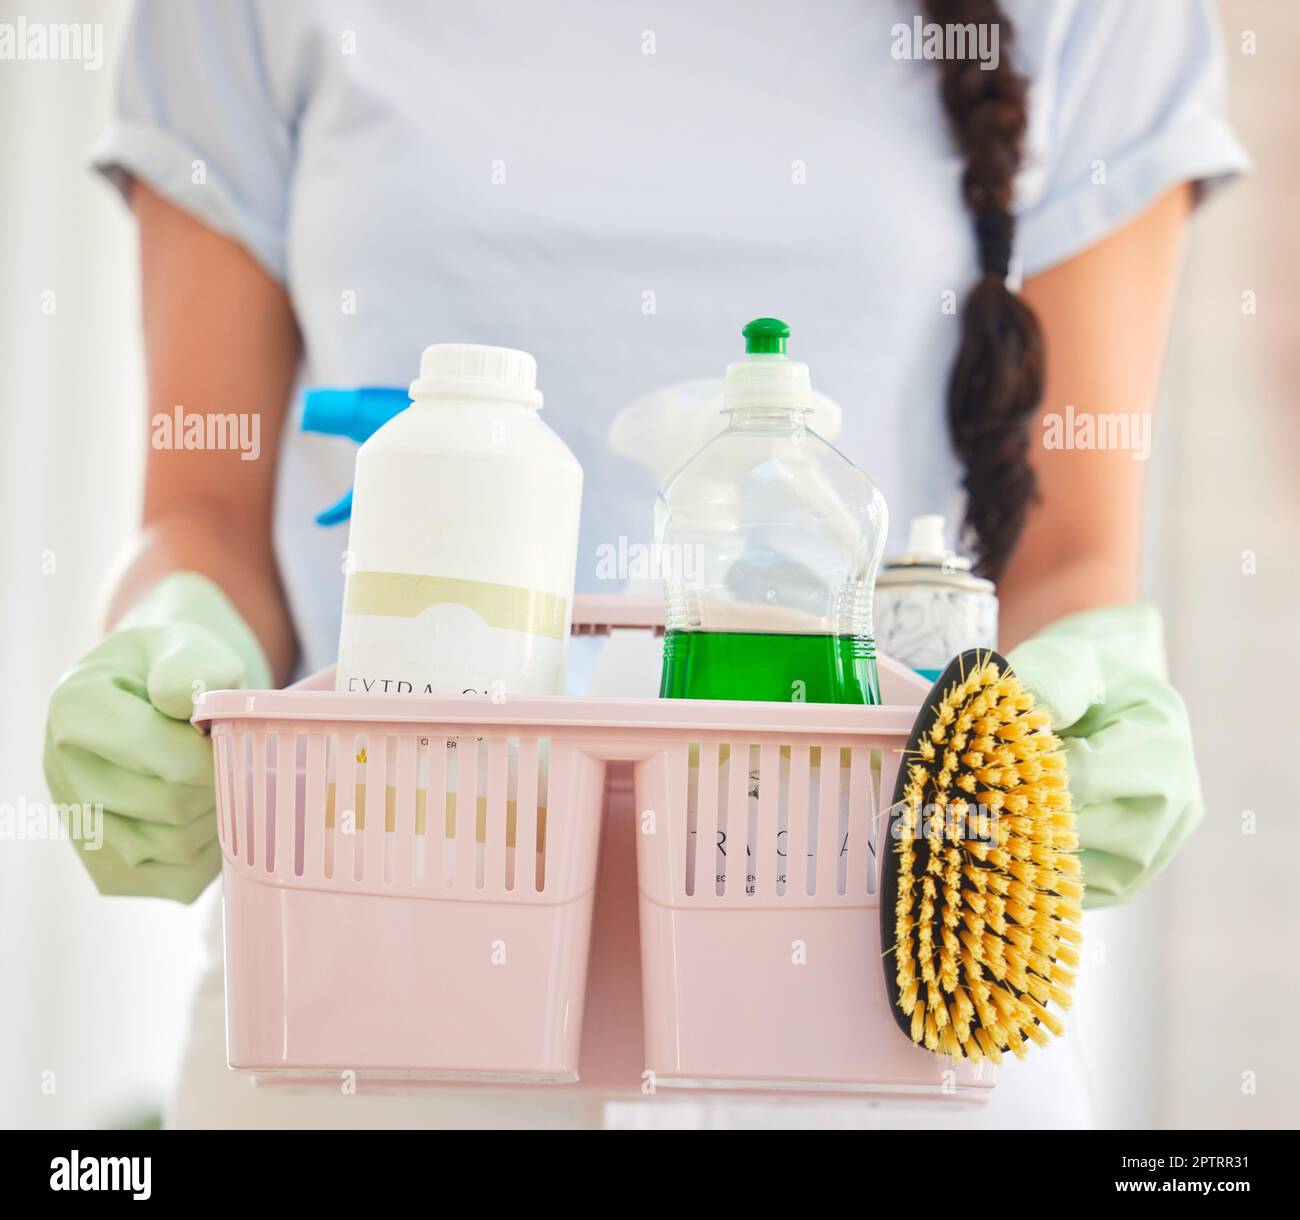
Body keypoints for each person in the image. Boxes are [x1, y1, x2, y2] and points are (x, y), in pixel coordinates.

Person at [45, 0, 1246, 1128]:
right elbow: (202, 505)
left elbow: (1069, 553)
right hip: (376, 980)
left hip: (887, 997)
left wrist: (1092, 678)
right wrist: (177, 642)